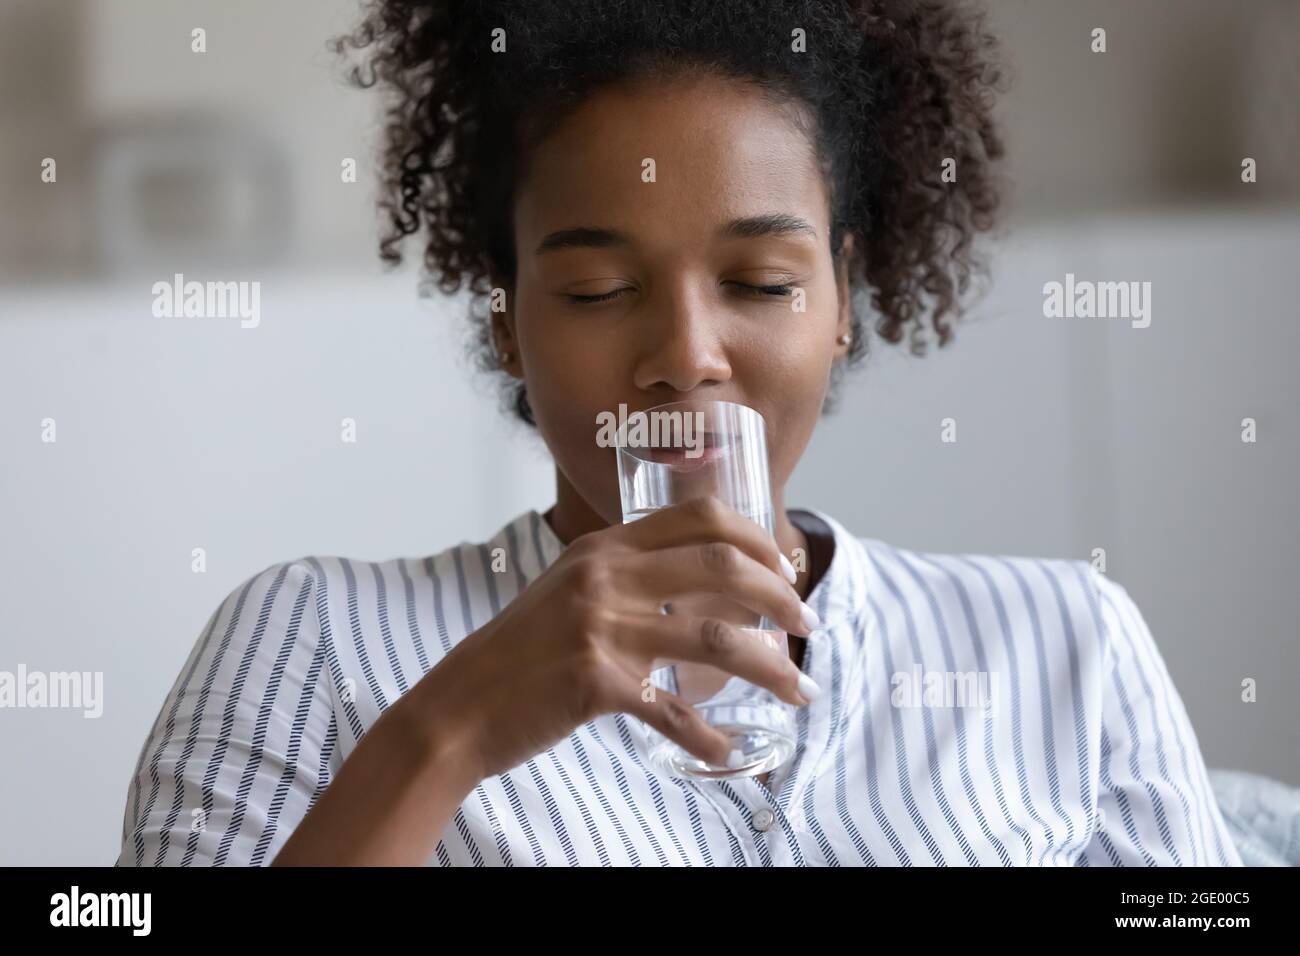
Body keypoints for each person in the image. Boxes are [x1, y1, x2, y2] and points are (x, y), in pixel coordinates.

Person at [115, 0, 1240, 866]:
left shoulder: (1065, 644)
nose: (686, 353)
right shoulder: (316, 637)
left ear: (841, 301)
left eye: (758, 280)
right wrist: (451, 728)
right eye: (599, 288)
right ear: (505, 322)